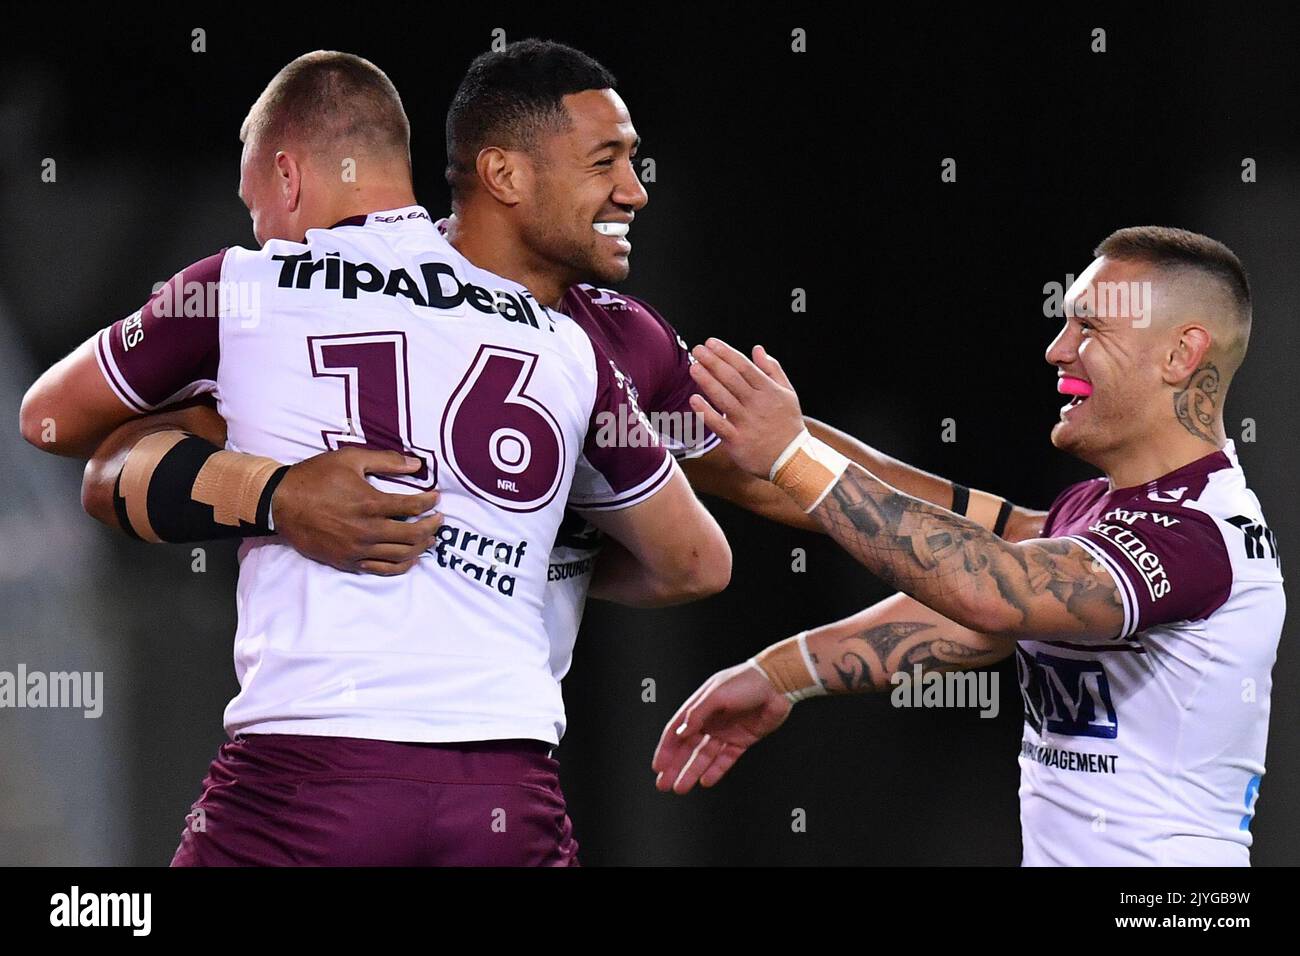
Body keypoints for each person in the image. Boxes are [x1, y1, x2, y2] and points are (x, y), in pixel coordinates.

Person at [19, 49, 733, 866]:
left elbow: (47, 419)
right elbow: (694, 562)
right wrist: (517, 548)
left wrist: (271, 494)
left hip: (307, 770)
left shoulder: (250, 285)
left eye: (256, 206)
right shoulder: (561, 337)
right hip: (505, 786)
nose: (259, 228)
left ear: (285, 178)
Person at [653, 227, 1284, 867]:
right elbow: (950, 563)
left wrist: (791, 454)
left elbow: (993, 591)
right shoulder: (1093, 511)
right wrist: (782, 674)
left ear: (1181, 355)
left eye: (1089, 328)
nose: (1057, 349)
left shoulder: (1200, 533)